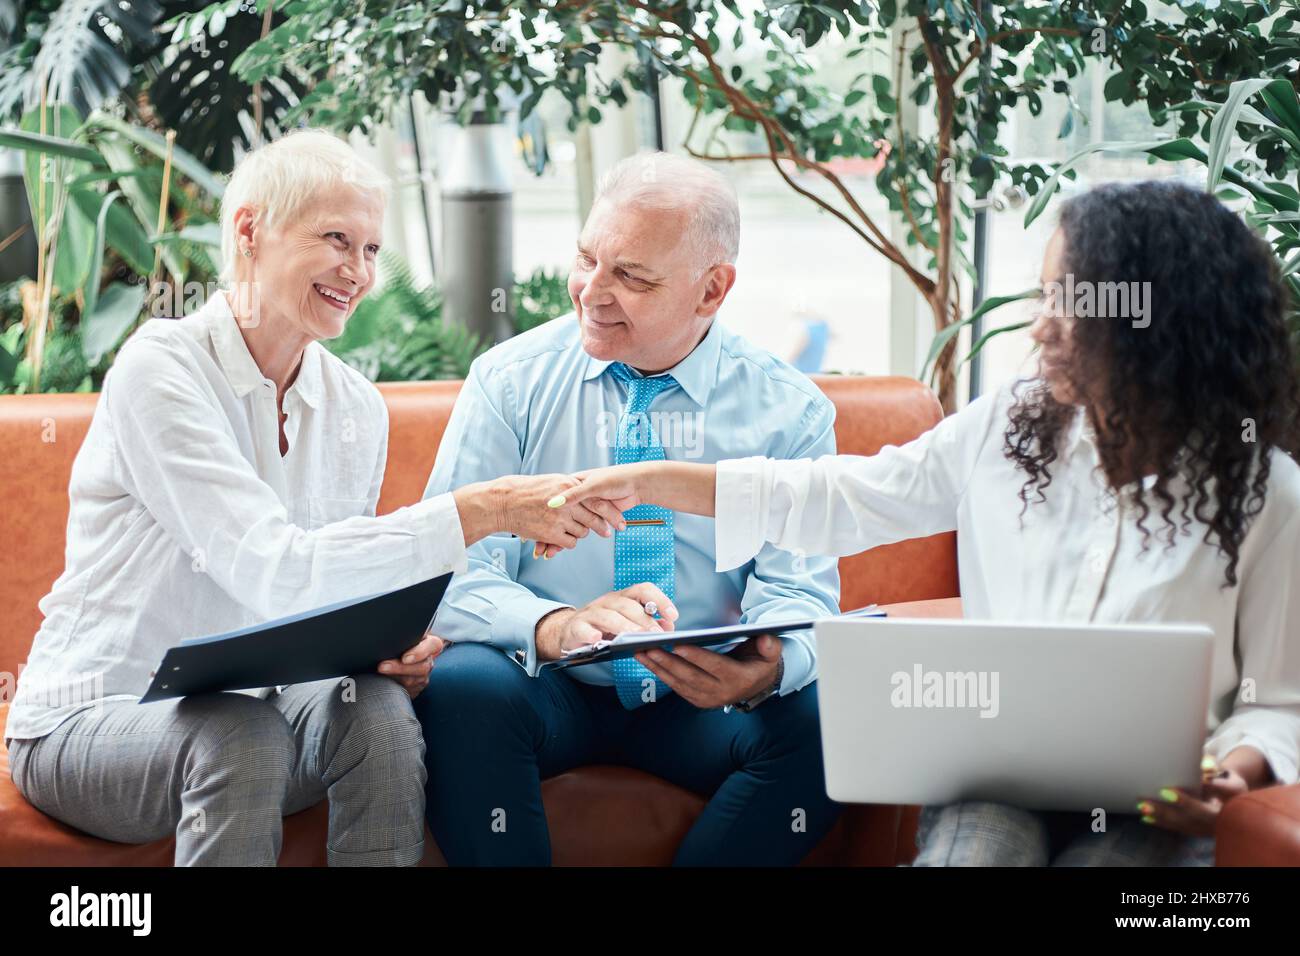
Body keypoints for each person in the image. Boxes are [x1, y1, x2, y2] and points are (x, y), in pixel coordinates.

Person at [567, 180, 1300, 866]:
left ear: (1154, 322)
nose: (1040, 327)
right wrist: (652, 481)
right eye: (1043, 297)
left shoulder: (1268, 496)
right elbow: (842, 496)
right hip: (998, 773)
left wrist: (1231, 774)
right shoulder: (1007, 426)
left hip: (1154, 805)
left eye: (1068, 303)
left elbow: (1279, 702)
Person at [2, 130, 604, 866]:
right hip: (90, 723)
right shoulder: (161, 369)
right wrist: (482, 510)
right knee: (237, 735)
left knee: (377, 711)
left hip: (253, 712)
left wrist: (386, 650)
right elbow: (271, 568)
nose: (359, 271)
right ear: (250, 230)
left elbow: (324, 604)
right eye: (337, 240)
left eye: (373, 250)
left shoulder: (355, 407)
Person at [414, 151, 844, 866]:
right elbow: (445, 570)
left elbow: (800, 590)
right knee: (464, 687)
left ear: (712, 290)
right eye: (587, 259)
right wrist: (554, 626)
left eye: (632, 277)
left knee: (829, 719)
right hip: (545, 684)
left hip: (704, 695)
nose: (591, 293)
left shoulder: (790, 412)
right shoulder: (510, 383)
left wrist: (766, 668)